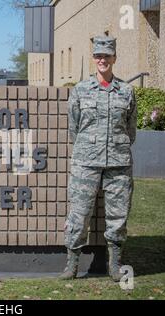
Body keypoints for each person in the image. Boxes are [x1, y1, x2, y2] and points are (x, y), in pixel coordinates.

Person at [60, 36, 137, 281]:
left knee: (118, 215)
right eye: (98, 56)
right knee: (79, 214)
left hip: (118, 164)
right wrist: (89, 147)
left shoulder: (126, 91)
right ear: (94, 59)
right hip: (86, 163)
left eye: (107, 55)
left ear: (114, 58)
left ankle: (114, 265)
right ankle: (71, 265)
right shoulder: (81, 90)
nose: (102, 60)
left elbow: (131, 129)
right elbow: (74, 127)